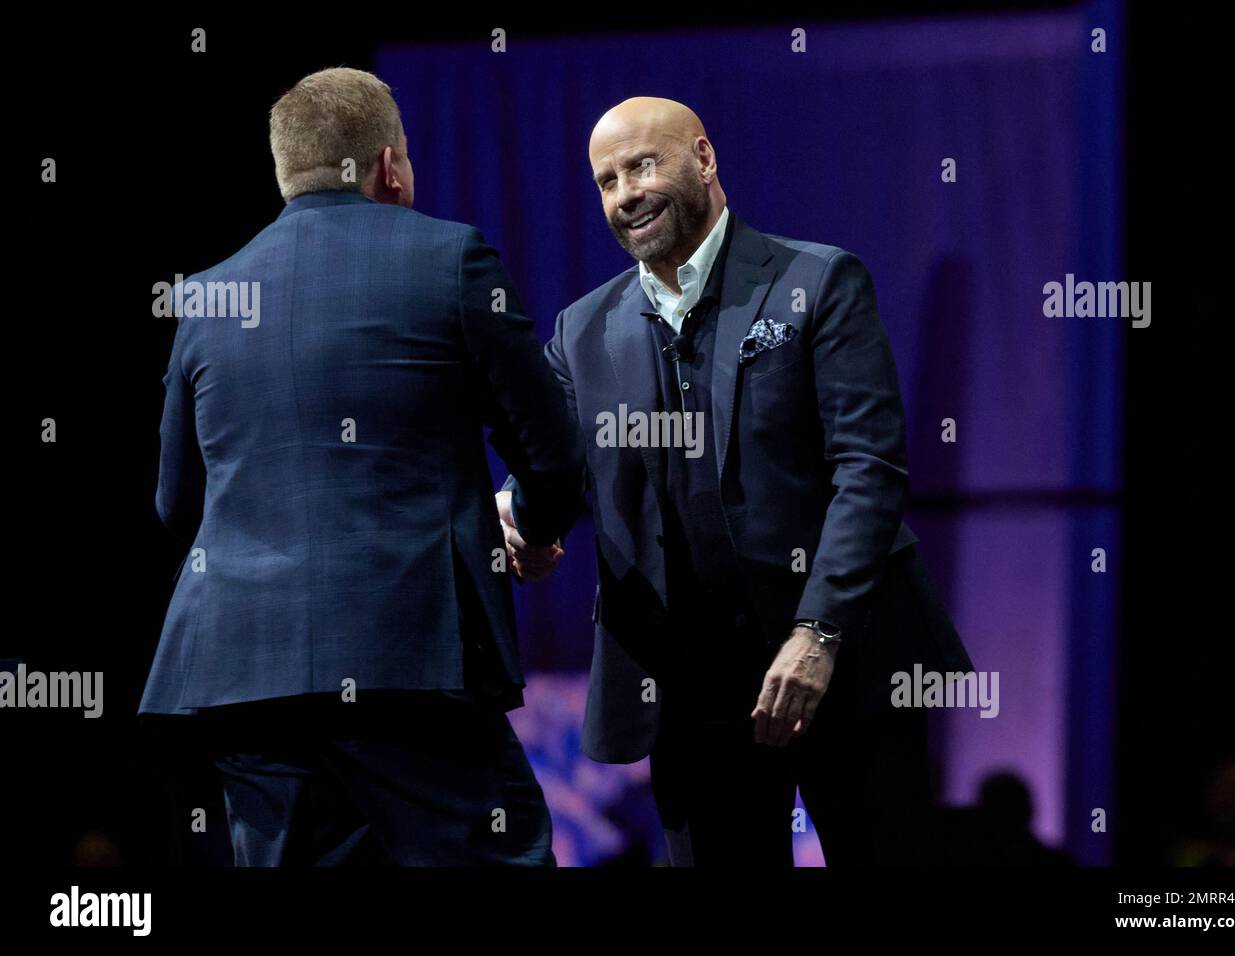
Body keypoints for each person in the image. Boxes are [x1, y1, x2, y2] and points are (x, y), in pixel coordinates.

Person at [499, 97, 973, 866]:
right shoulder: (582, 330)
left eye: (642, 165)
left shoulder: (819, 282)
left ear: (704, 158)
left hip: (845, 663)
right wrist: (521, 515)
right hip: (692, 696)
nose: (625, 195)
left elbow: (871, 470)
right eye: (606, 181)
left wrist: (817, 633)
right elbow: (553, 470)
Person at [140, 68, 584, 866]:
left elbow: (177, 505)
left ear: (286, 172)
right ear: (389, 165)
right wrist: (532, 526)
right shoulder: (451, 259)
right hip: (412, 662)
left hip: (244, 675)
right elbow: (551, 454)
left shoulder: (205, 296)